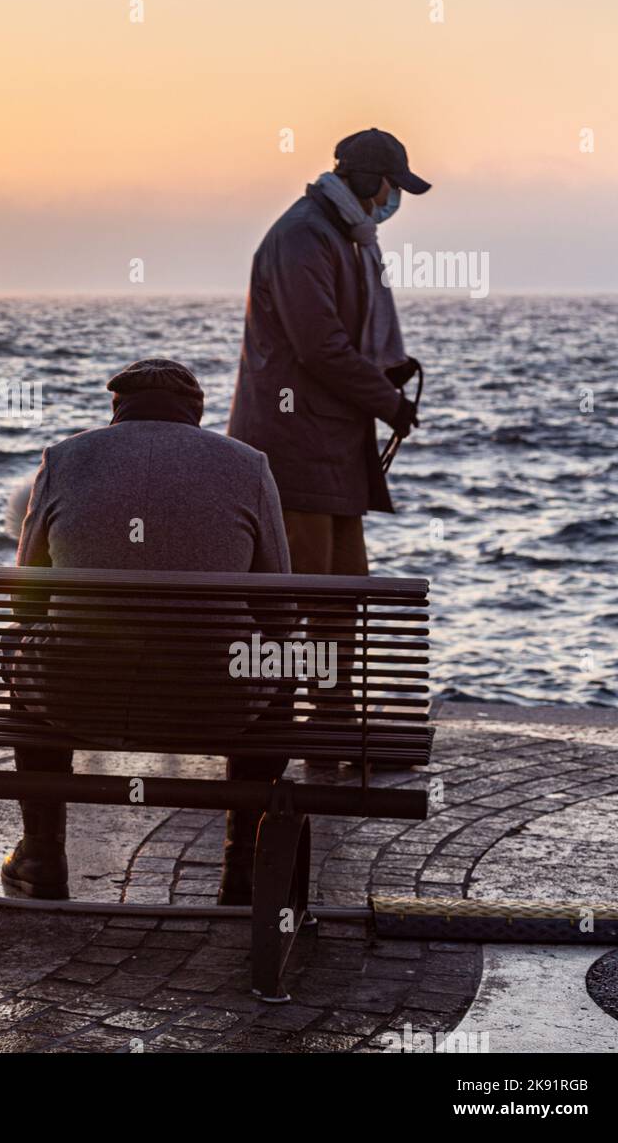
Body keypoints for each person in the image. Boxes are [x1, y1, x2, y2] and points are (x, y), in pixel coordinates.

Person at [2, 358, 291, 904]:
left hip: (78, 699)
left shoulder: (63, 459)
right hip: (213, 700)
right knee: (277, 659)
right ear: (197, 413)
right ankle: (245, 864)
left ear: (117, 408)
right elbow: (278, 610)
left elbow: (26, 601)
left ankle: (41, 854)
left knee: (22, 648)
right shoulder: (249, 465)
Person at [227, 128, 431, 769]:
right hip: (295, 448)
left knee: (342, 596)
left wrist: (382, 378)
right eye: (393, 187)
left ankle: (336, 726)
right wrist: (388, 400)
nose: (393, 201)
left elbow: (335, 341)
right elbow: (318, 347)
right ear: (370, 182)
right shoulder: (303, 236)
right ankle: (279, 730)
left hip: (333, 446)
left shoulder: (338, 234)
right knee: (299, 604)